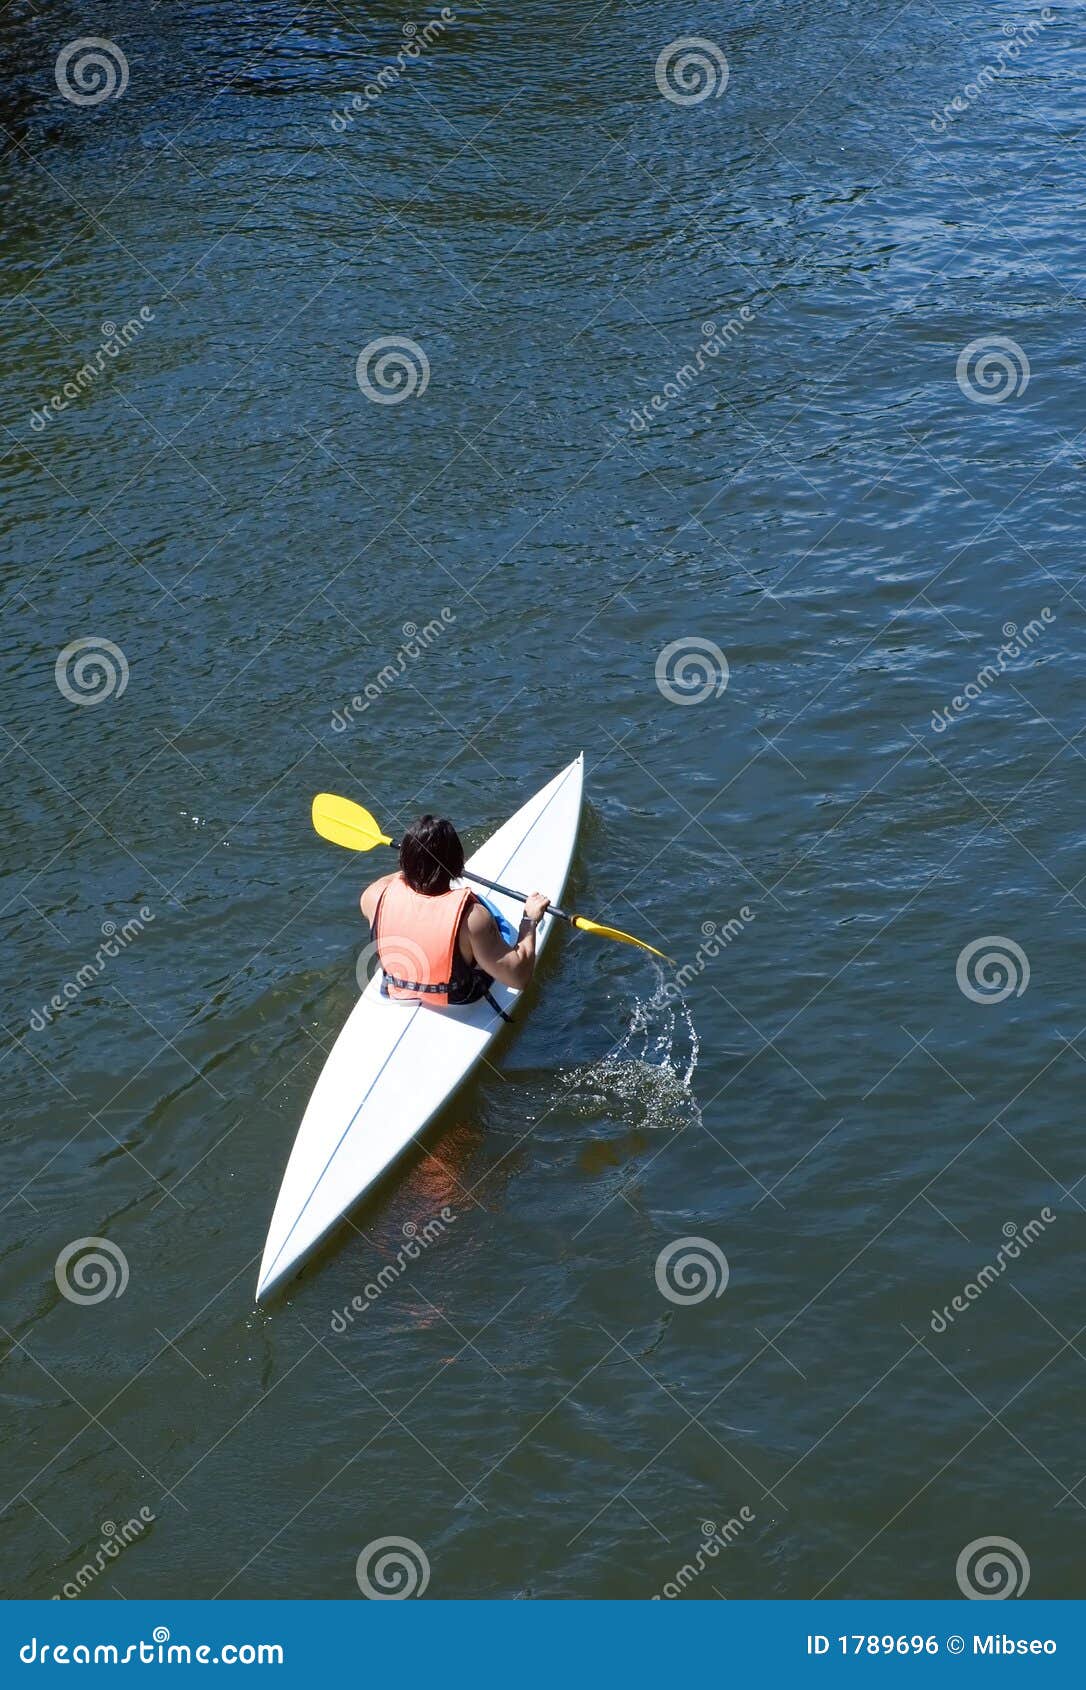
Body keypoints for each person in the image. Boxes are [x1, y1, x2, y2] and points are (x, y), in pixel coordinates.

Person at [359, 813, 550, 1014]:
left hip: (396, 988)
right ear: (458, 863)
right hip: (460, 997)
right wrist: (529, 920)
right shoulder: (473, 919)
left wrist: (416, 859)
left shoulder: (374, 895)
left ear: (404, 860)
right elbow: (519, 978)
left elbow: (401, 881)